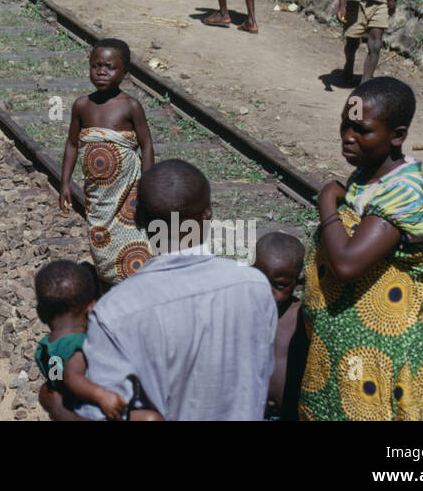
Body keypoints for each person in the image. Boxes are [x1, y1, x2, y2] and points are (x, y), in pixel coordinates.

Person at [42, 159, 277, 420]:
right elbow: (261, 373)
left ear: (138, 217)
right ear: (208, 215)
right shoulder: (254, 286)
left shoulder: (115, 311)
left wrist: (55, 406)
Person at [299, 77, 423, 420]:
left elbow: (347, 265)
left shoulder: (402, 192)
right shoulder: (366, 173)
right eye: (345, 125)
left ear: (397, 135)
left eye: (362, 130)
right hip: (349, 347)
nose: (348, 137)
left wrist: (327, 204)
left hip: (385, 347)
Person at [58, 38, 155, 286]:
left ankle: (135, 286)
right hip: (98, 196)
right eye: (96, 65)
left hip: (128, 193)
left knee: (134, 240)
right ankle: (107, 283)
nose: (101, 72)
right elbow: (72, 144)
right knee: (100, 240)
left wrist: (147, 186)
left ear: (125, 73)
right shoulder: (82, 105)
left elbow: (146, 145)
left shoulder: (130, 107)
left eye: (110, 67)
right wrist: (65, 183)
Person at [34, 260, 128, 419]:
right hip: (89, 408)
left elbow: (55, 380)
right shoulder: (78, 345)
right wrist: (102, 396)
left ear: (41, 314)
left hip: (66, 405)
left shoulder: (46, 347)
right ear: (91, 308)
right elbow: (72, 376)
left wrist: (56, 390)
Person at [252, 232, 307, 420]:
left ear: (298, 284)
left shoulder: (301, 319)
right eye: (260, 279)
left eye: (279, 285)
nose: (268, 291)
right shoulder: (242, 312)